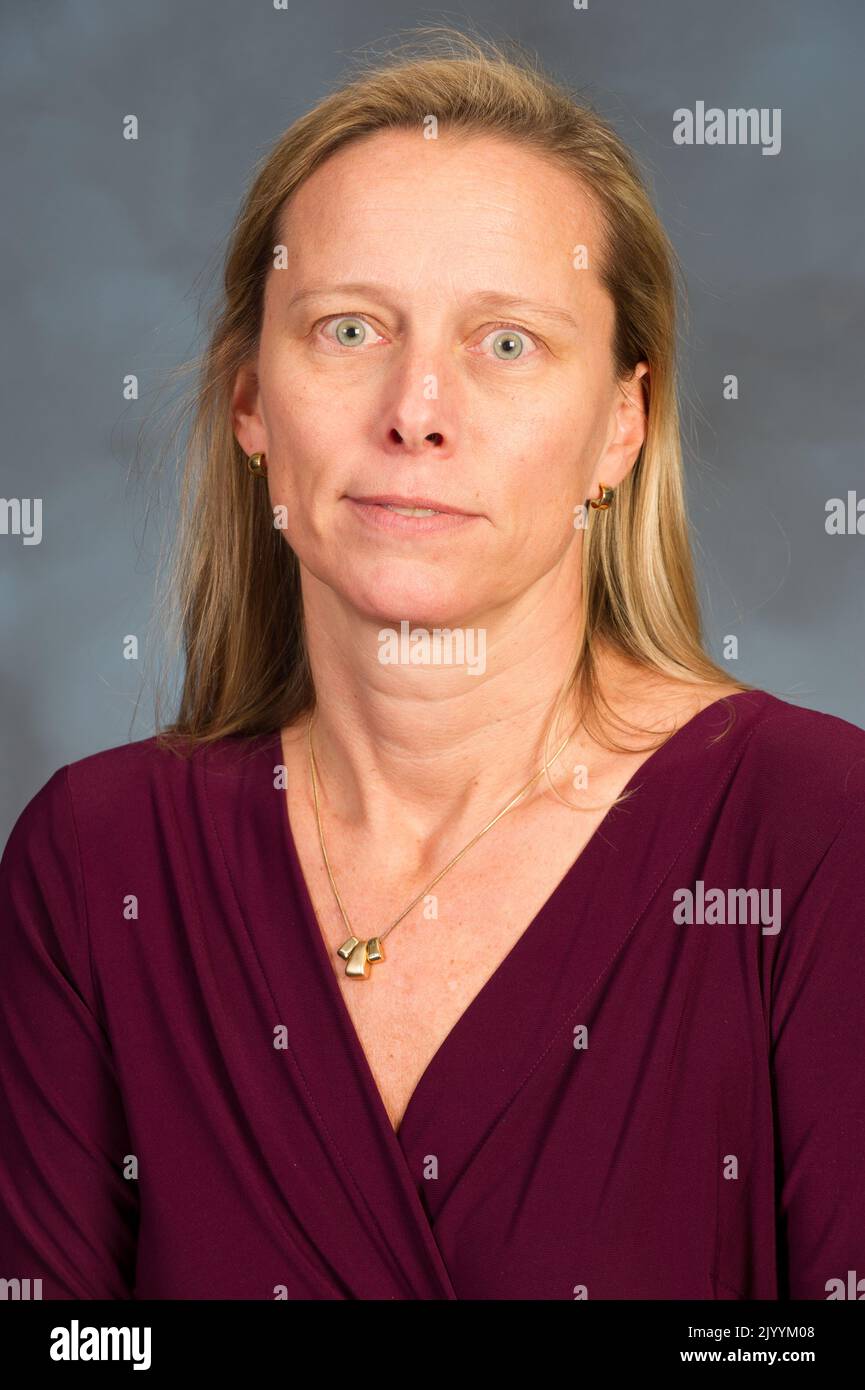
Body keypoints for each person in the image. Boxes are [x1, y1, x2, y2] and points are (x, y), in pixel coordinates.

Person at [1, 31, 863, 1301]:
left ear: (620, 424)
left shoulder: (814, 829)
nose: (416, 408)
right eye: (348, 328)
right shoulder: (96, 861)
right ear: (251, 400)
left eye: (506, 342)